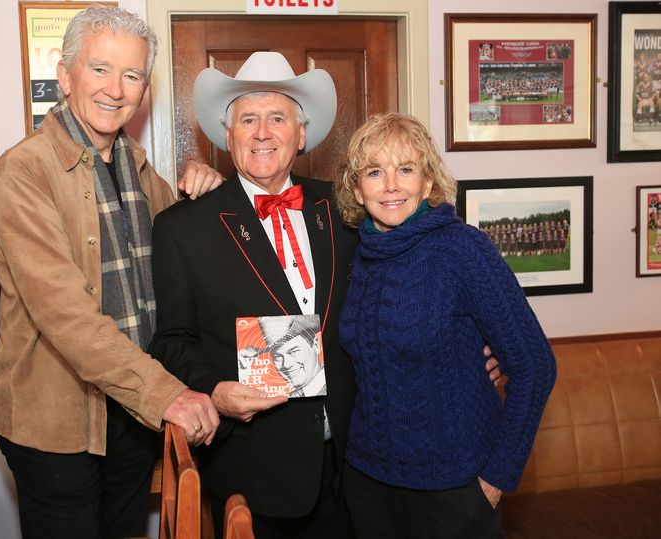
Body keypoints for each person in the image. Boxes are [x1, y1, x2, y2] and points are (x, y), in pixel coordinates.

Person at [0, 7, 223, 539]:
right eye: (99, 69)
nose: (115, 89)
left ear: (144, 88)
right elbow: (65, 315)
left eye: (132, 75)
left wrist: (203, 192)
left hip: (130, 416)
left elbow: (186, 265)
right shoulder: (24, 171)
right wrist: (166, 395)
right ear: (65, 75)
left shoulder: (136, 166)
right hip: (55, 425)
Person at [149, 51, 356, 538]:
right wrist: (214, 392)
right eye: (249, 118)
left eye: (278, 117)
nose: (263, 132)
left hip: (355, 470)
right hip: (254, 476)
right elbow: (173, 339)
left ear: (301, 134)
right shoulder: (183, 228)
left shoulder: (345, 208)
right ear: (228, 135)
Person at [335, 112, 557, 538]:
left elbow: (535, 366)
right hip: (367, 485)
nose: (391, 185)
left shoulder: (462, 250)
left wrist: (496, 479)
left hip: (454, 491)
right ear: (357, 189)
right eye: (375, 172)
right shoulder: (359, 255)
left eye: (406, 169)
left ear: (429, 182)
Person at [261, 314, 326, 397]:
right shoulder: (290, 396)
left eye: (294, 351)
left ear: (316, 346)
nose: (286, 365)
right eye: (278, 357)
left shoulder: (337, 387)